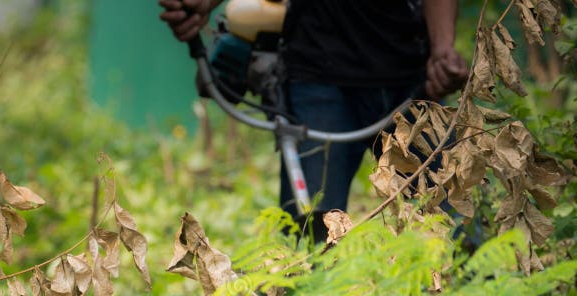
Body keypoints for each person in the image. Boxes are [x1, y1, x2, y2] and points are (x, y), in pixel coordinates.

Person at [158, 0, 468, 241]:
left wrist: (442, 51)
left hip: (409, 78)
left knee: (451, 223)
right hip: (317, 79)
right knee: (311, 237)